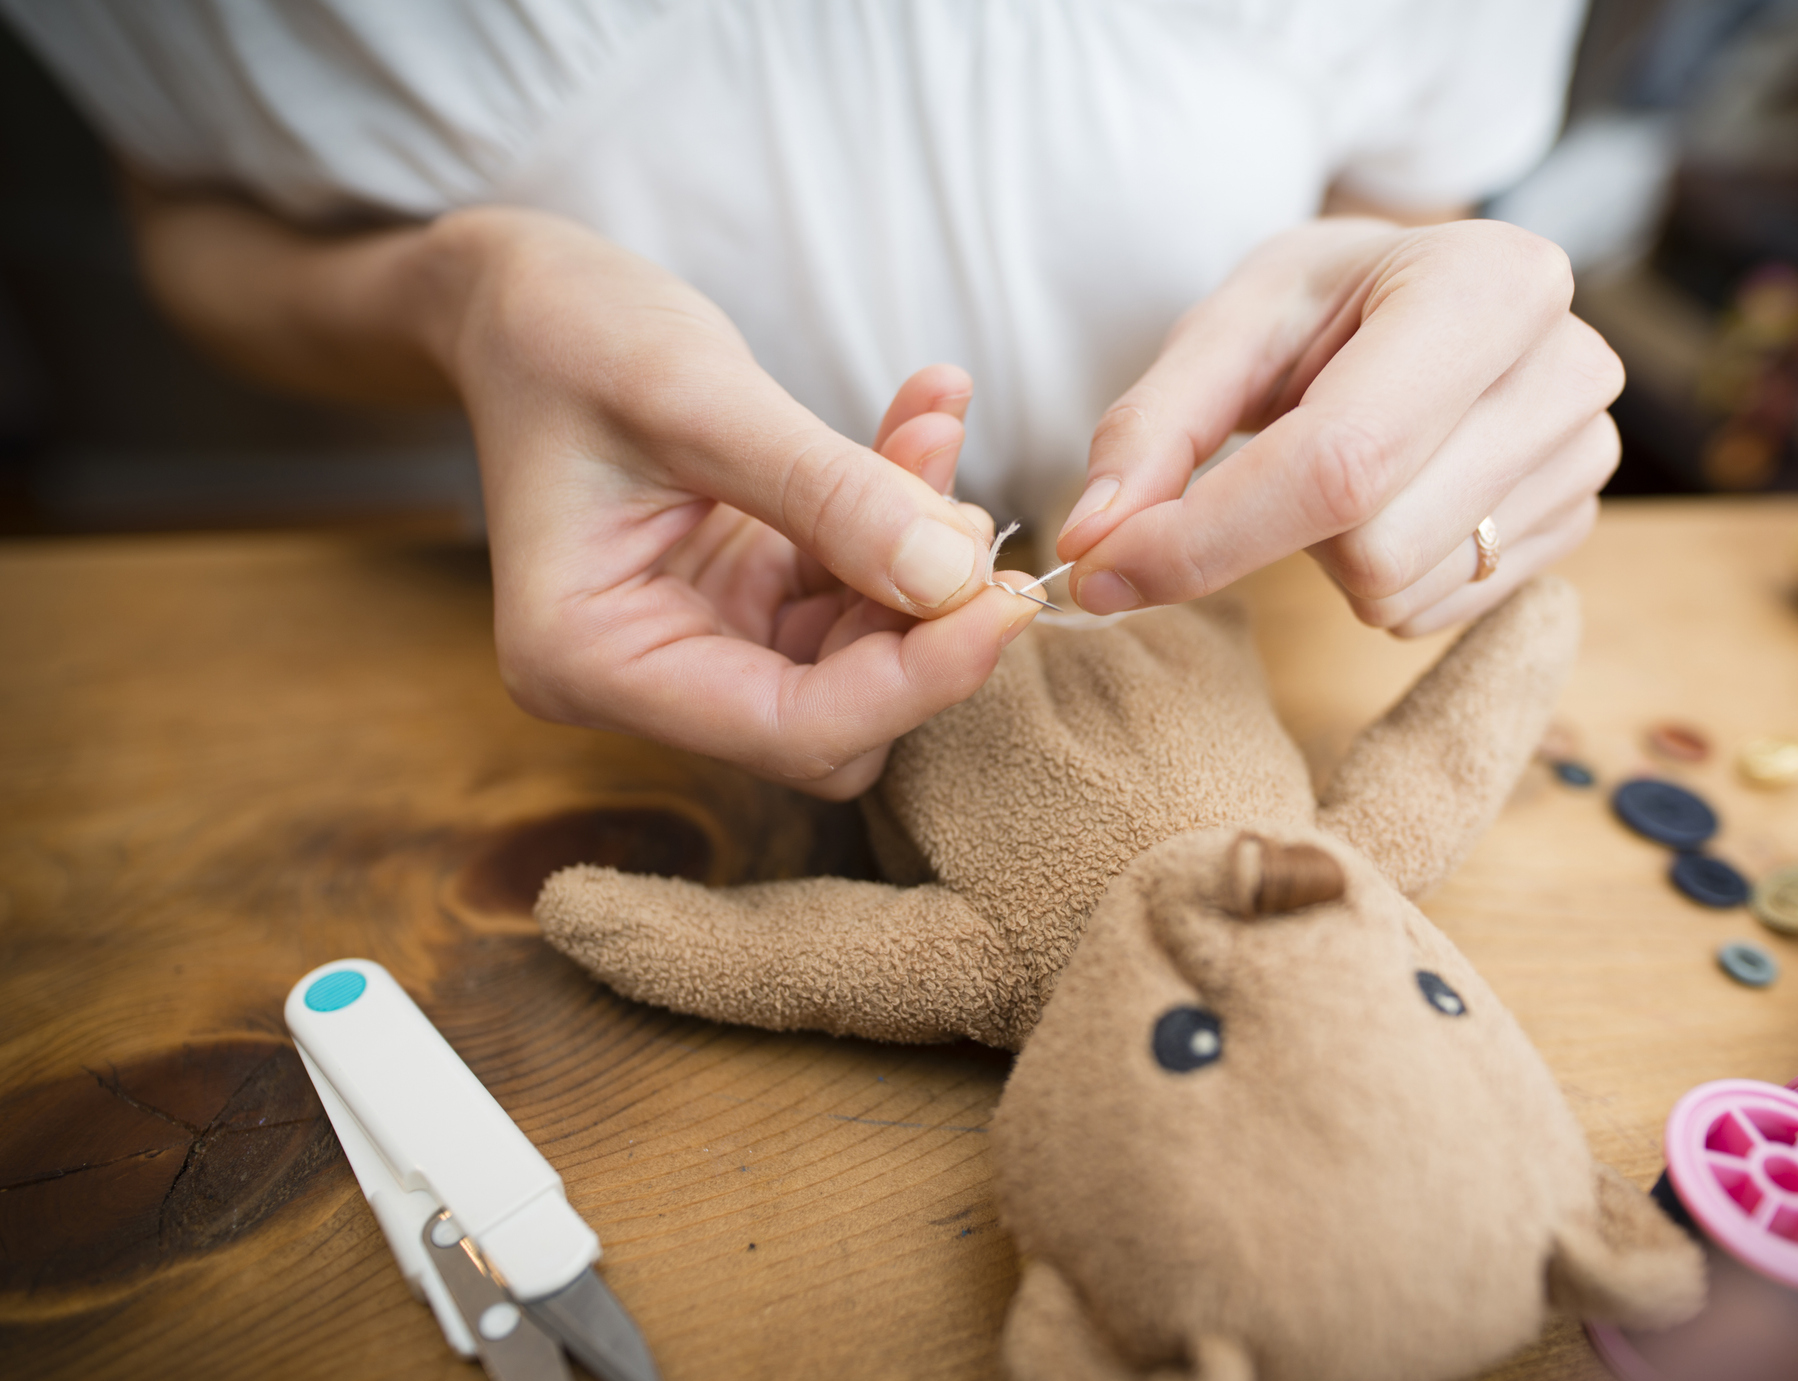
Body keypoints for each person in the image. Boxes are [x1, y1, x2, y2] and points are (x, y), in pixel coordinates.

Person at [5, 1, 1622, 800]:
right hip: (551, 720)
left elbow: (1420, 194)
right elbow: (187, 214)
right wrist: (460, 294)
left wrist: (1421, 303)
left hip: (1254, 676)